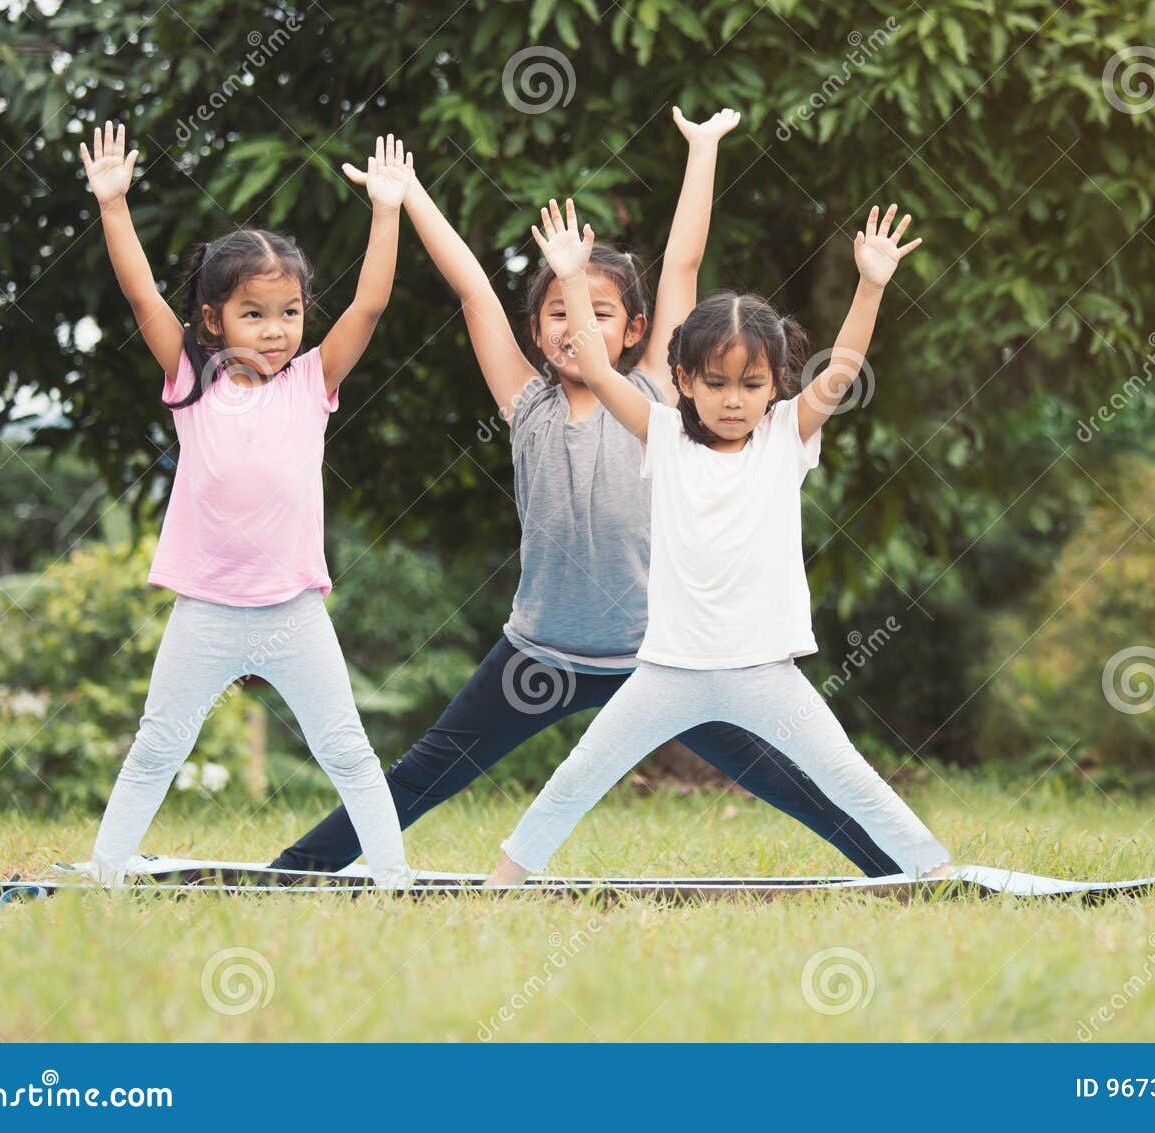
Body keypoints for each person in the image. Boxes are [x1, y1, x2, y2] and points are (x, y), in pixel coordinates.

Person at [268, 108, 902, 879]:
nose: (577, 329)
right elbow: (472, 286)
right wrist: (407, 198)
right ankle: (293, 870)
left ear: (634, 330)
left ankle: (898, 866)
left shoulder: (659, 398)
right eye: (559, 315)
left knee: (784, 778)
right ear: (536, 332)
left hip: (662, 660)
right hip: (539, 652)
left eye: (597, 315)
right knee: (424, 772)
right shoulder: (524, 402)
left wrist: (702, 152)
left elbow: (682, 265)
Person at [487, 198, 956, 886]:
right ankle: (505, 877)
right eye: (716, 383)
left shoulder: (785, 434)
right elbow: (598, 362)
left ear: (774, 386)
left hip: (765, 670)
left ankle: (936, 870)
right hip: (668, 671)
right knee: (579, 774)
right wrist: (570, 274)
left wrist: (872, 285)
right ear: (683, 380)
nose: (734, 399)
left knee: (852, 778)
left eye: (752, 384)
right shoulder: (662, 435)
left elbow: (844, 369)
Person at [79, 120, 413, 890]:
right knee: (157, 744)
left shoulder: (311, 381)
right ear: (213, 319)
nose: (275, 330)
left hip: (293, 609)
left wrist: (386, 211)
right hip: (207, 609)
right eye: (254, 314)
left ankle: (396, 879)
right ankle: (101, 874)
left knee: (348, 749)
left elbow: (368, 306)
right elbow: (137, 290)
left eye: (289, 312)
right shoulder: (192, 378)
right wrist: (113, 205)